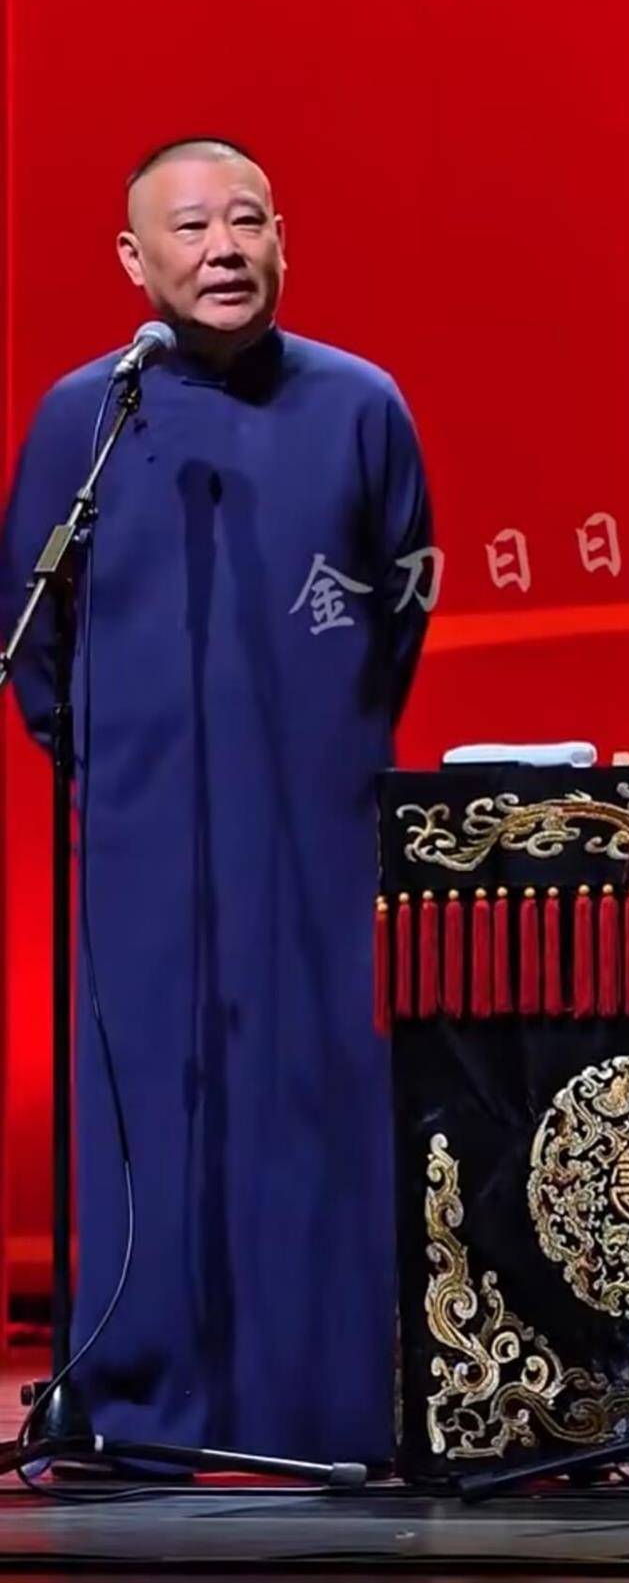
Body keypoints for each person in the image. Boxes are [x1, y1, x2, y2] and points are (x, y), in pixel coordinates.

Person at [0, 139, 431, 1465]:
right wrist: (115, 758)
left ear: (283, 239)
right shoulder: (87, 418)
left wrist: (317, 742)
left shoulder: (361, 405)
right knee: (157, 1111)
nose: (225, 249)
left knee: (313, 1104)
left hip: (312, 827)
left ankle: (323, 1407)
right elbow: (33, 631)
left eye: (247, 221)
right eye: (190, 229)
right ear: (135, 260)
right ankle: (146, 1404)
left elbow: (398, 608)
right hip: (142, 833)